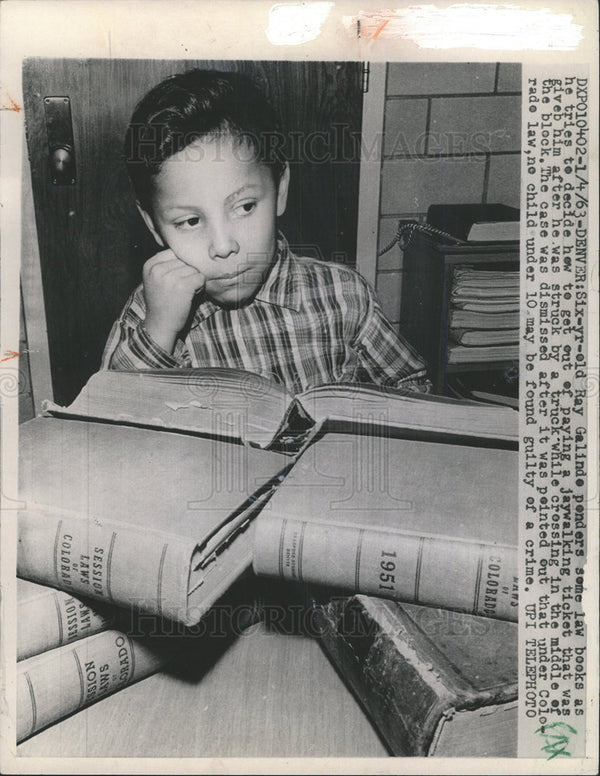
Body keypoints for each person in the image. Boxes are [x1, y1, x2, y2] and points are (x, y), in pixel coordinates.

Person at [101, 69, 431, 395]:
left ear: (280, 189)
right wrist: (159, 332)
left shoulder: (345, 295)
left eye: (244, 207)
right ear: (153, 226)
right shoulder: (147, 315)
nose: (223, 245)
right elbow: (113, 421)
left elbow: (410, 386)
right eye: (190, 221)